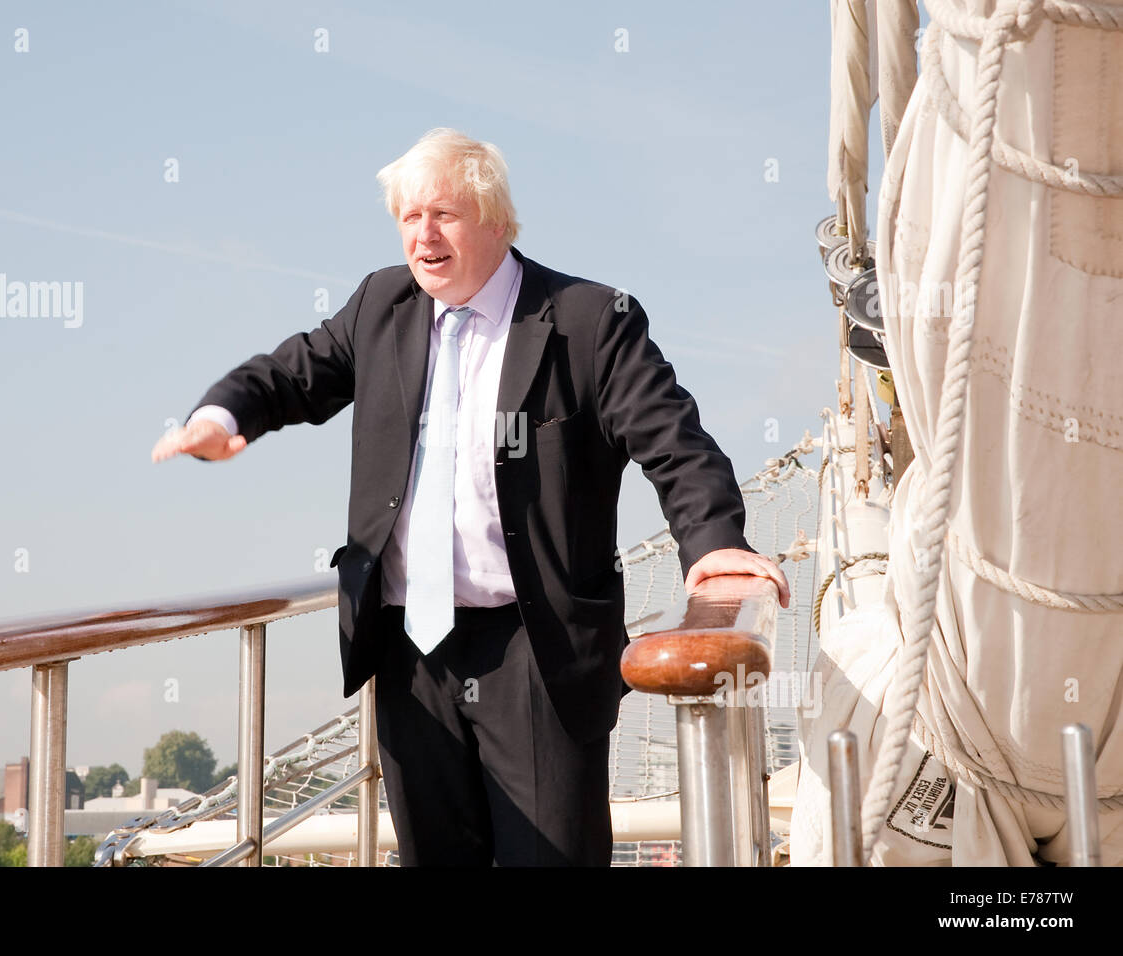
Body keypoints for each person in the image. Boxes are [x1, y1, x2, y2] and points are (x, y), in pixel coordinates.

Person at [151, 128, 790, 866]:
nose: (422, 236)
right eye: (408, 217)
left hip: (536, 649)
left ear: (494, 219)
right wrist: (220, 416)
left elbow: (673, 441)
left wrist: (713, 547)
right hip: (407, 648)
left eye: (443, 215)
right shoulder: (379, 304)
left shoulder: (589, 322)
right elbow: (291, 373)